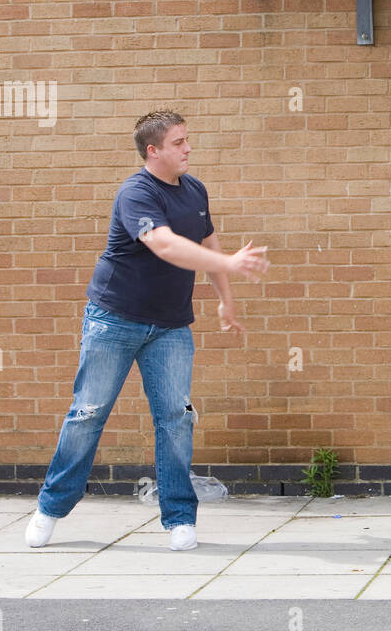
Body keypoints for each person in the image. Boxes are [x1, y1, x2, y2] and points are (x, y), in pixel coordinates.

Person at [25, 110, 269, 551]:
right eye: (179, 142)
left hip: (171, 326)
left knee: (176, 419)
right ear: (153, 150)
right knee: (88, 413)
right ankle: (50, 508)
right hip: (113, 319)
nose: (188, 148)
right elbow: (164, 244)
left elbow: (207, 244)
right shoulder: (135, 193)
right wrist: (228, 262)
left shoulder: (195, 190)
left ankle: (179, 519)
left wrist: (226, 299)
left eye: (188, 140)